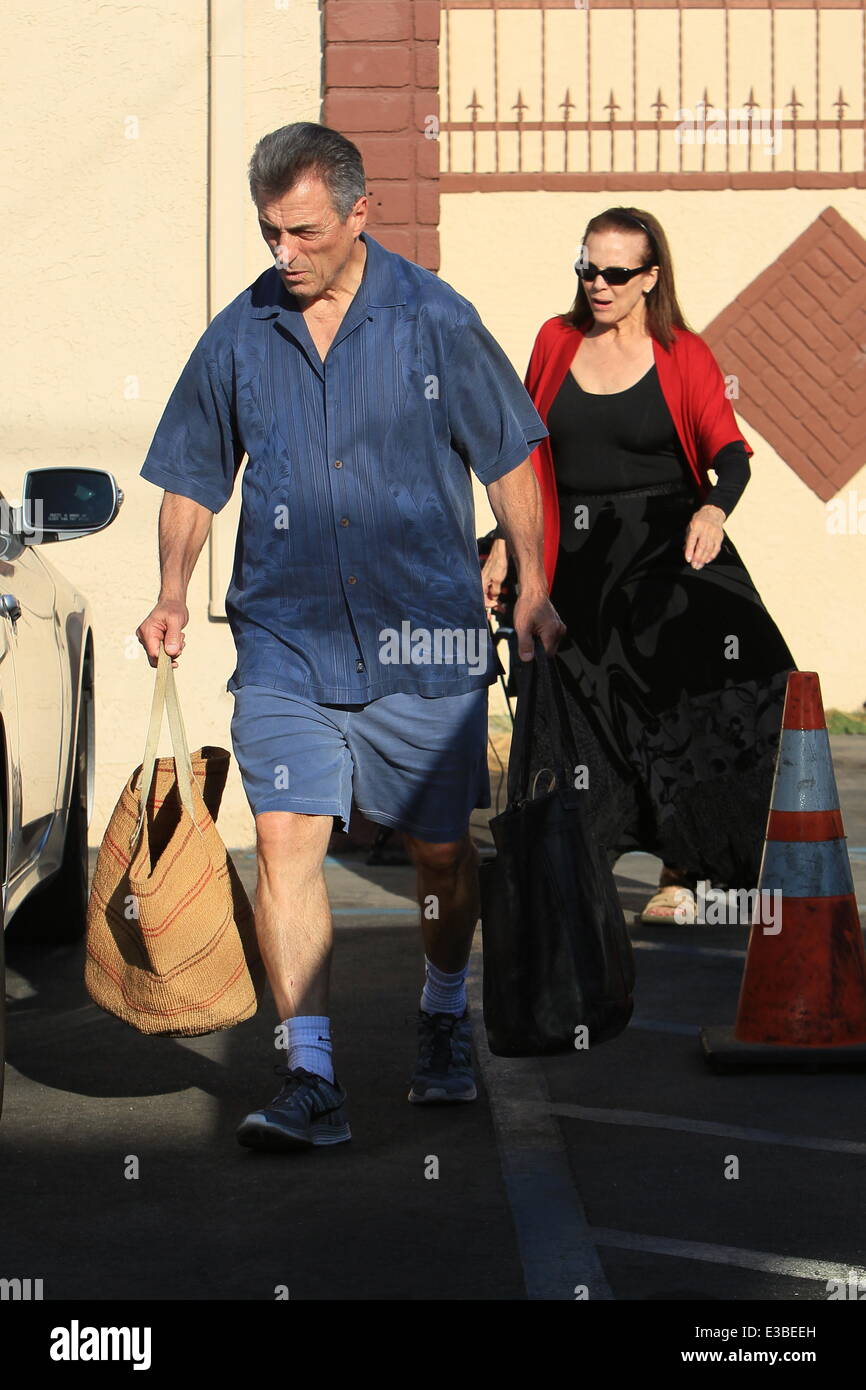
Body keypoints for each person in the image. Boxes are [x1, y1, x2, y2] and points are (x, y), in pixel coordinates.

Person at [135, 122, 565, 1152]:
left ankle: (437, 1010)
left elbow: (508, 458)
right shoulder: (238, 334)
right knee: (285, 843)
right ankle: (311, 1075)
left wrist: (536, 585)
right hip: (285, 635)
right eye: (269, 233)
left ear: (359, 213)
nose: (283, 253)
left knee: (440, 855)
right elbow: (194, 474)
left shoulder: (434, 321)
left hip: (425, 638)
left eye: (304, 232)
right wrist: (171, 589)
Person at [482, 206, 795, 923]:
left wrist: (713, 510)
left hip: (666, 546)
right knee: (577, 708)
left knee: (728, 673)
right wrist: (504, 538)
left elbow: (731, 457)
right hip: (571, 549)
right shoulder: (554, 341)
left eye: (616, 273)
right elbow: (521, 459)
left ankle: (692, 868)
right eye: (587, 267)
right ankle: (577, 865)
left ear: (651, 278)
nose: (598, 283)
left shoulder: (683, 351)